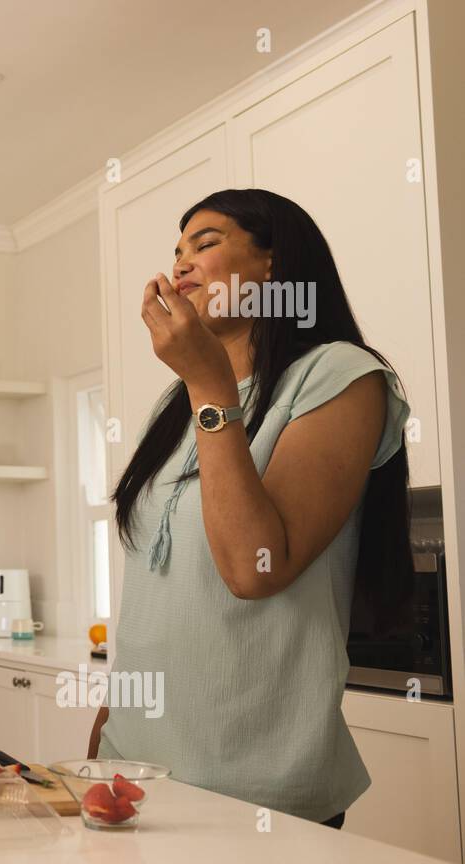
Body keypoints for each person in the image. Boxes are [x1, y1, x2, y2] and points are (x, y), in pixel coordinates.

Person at [90, 188, 414, 830]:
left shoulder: (337, 376)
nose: (181, 264)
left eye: (205, 244)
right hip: (132, 768)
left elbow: (253, 570)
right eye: (176, 251)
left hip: (257, 783)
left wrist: (209, 384)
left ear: (273, 266)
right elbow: (156, 601)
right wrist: (104, 734)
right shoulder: (172, 407)